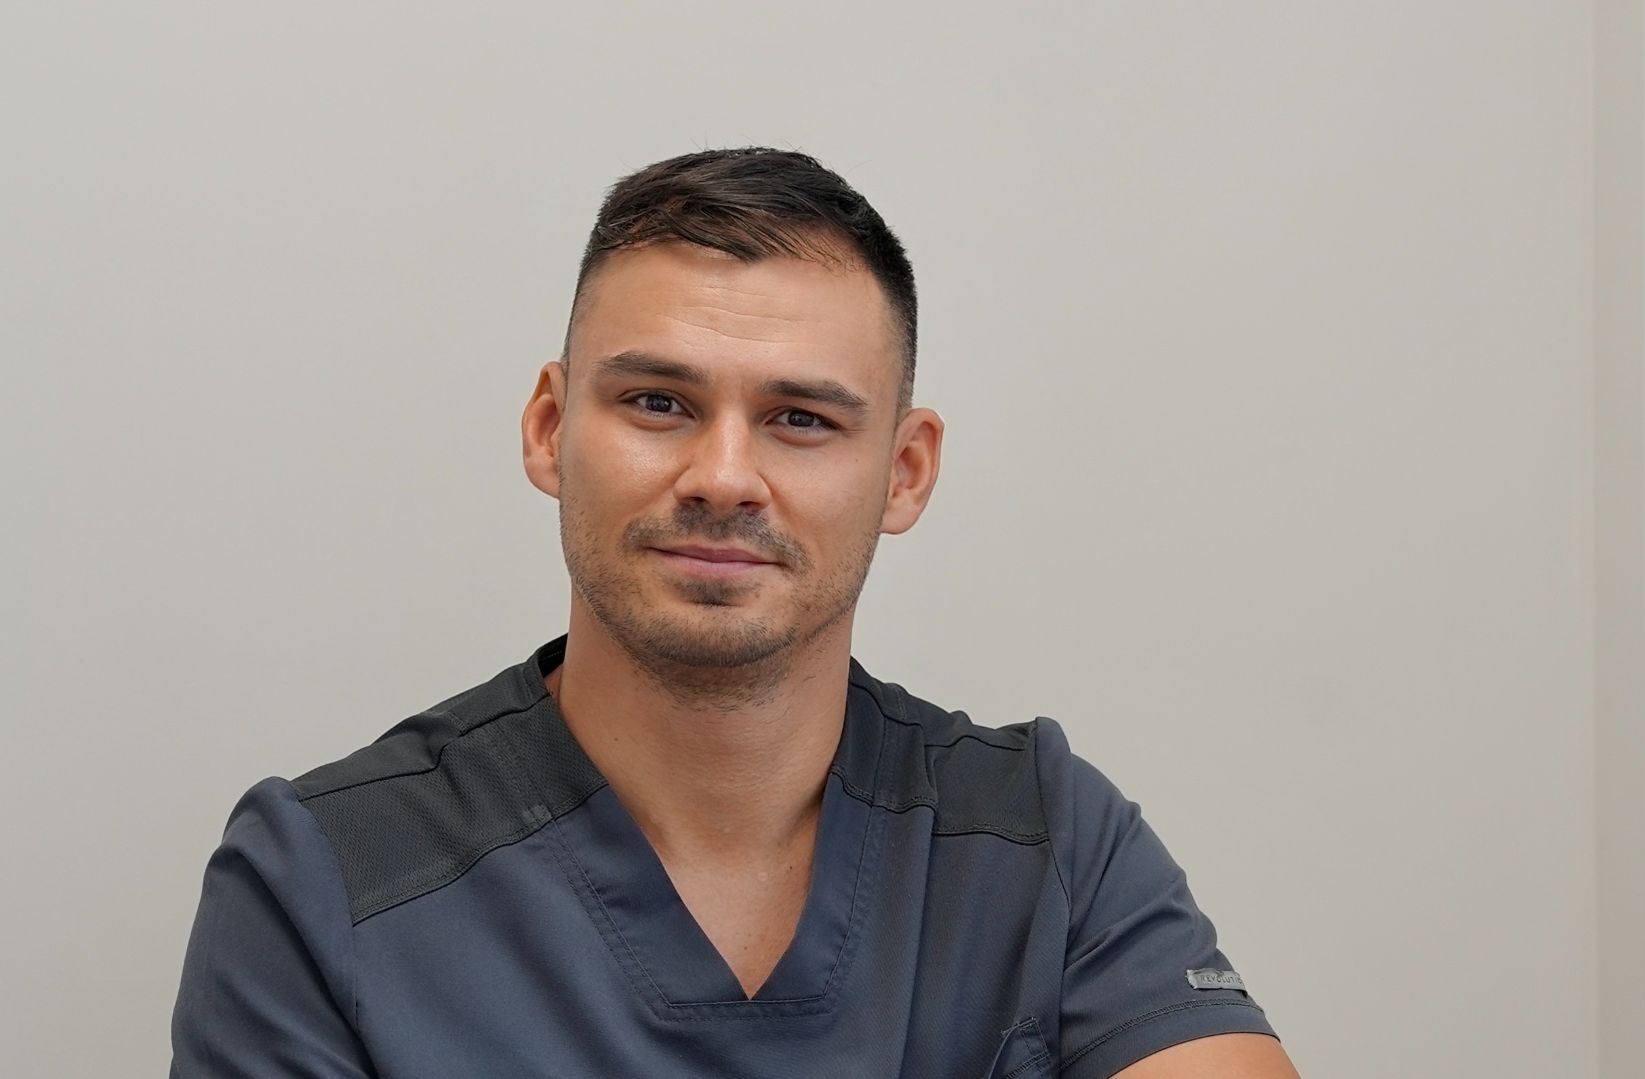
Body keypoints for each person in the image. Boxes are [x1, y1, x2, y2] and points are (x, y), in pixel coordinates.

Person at [169, 147, 1302, 1079]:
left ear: (905, 471)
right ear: (549, 429)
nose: (722, 476)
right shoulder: (326, 876)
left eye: (801, 418)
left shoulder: (1040, 842)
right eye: (657, 401)